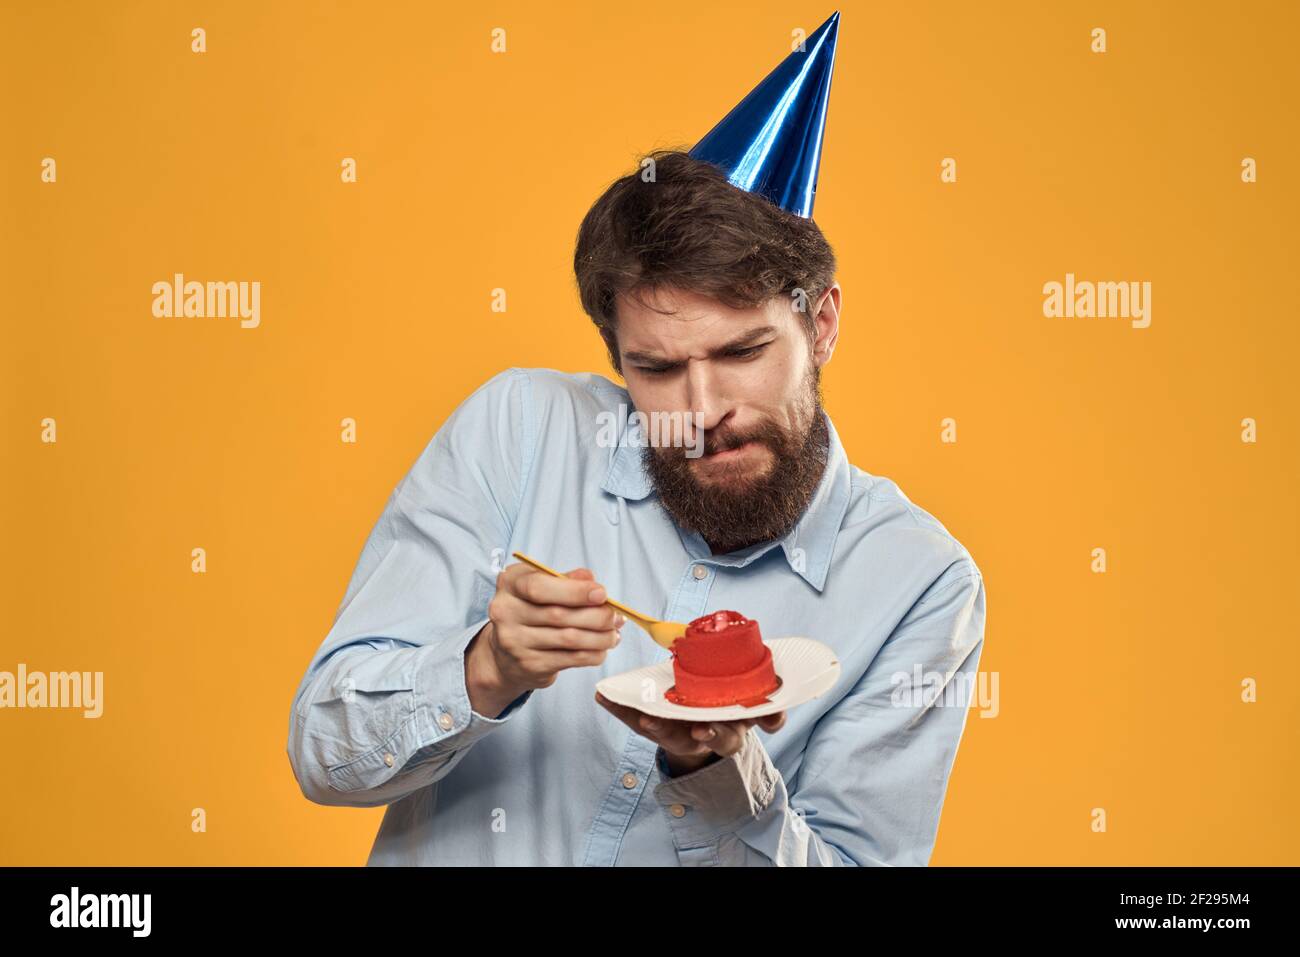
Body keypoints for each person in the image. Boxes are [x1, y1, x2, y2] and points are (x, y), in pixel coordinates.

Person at [287, 12, 987, 865]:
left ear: (823, 323)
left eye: (743, 351)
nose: (702, 408)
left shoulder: (918, 581)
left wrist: (718, 770)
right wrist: (482, 670)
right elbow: (322, 751)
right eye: (656, 368)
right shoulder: (522, 430)